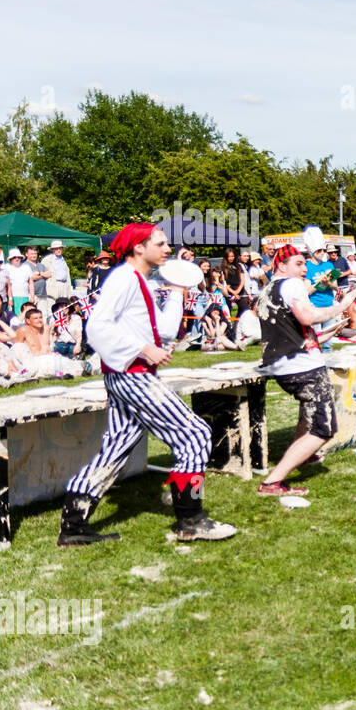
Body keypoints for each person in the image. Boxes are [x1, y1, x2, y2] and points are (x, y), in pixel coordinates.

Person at [59, 223, 235, 546]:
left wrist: (179, 289)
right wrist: (143, 349)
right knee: (195, 434)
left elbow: (165, 329)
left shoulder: (140, 280)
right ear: (139, 247)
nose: (168, 248)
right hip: (132, 375)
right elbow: (96, 327)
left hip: (128, 374)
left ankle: (72, 525)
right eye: (161, 243)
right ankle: (190, 518)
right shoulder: (123, 278)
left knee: (116, 447)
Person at [255, 245, 356, 496]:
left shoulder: (269, 289)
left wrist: (325, 334)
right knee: (324, 428)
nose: (305, 269)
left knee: (308, 411)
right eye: (299, 264)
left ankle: (303, 455)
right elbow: (307, 316)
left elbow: (292, 331)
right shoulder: (290, 284)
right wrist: (343, 305)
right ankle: (272, 482)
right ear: (282, 265)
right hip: (302, 367)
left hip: (284, 364)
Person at [4, 248, 34, 316]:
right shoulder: (6, 267)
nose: (17, 259)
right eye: (14, 257)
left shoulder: (26, 267)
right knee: (14, 318)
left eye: (18, 257)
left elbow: (31, 283)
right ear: (10, 259)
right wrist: (10, 298)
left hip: (25, 297)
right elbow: (7, 285)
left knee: (26, 316)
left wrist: (32, 296)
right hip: (13, 298)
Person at [42, 240, 73, 305]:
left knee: (64, 305)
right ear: (53, 250)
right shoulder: (47, 260)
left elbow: (67, 275)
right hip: (54, 285)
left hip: (64, 285)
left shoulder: (63, 260)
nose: (58, 250)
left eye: (60, 248)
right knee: (52, 304)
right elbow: (42, 273)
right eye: (56, 249)